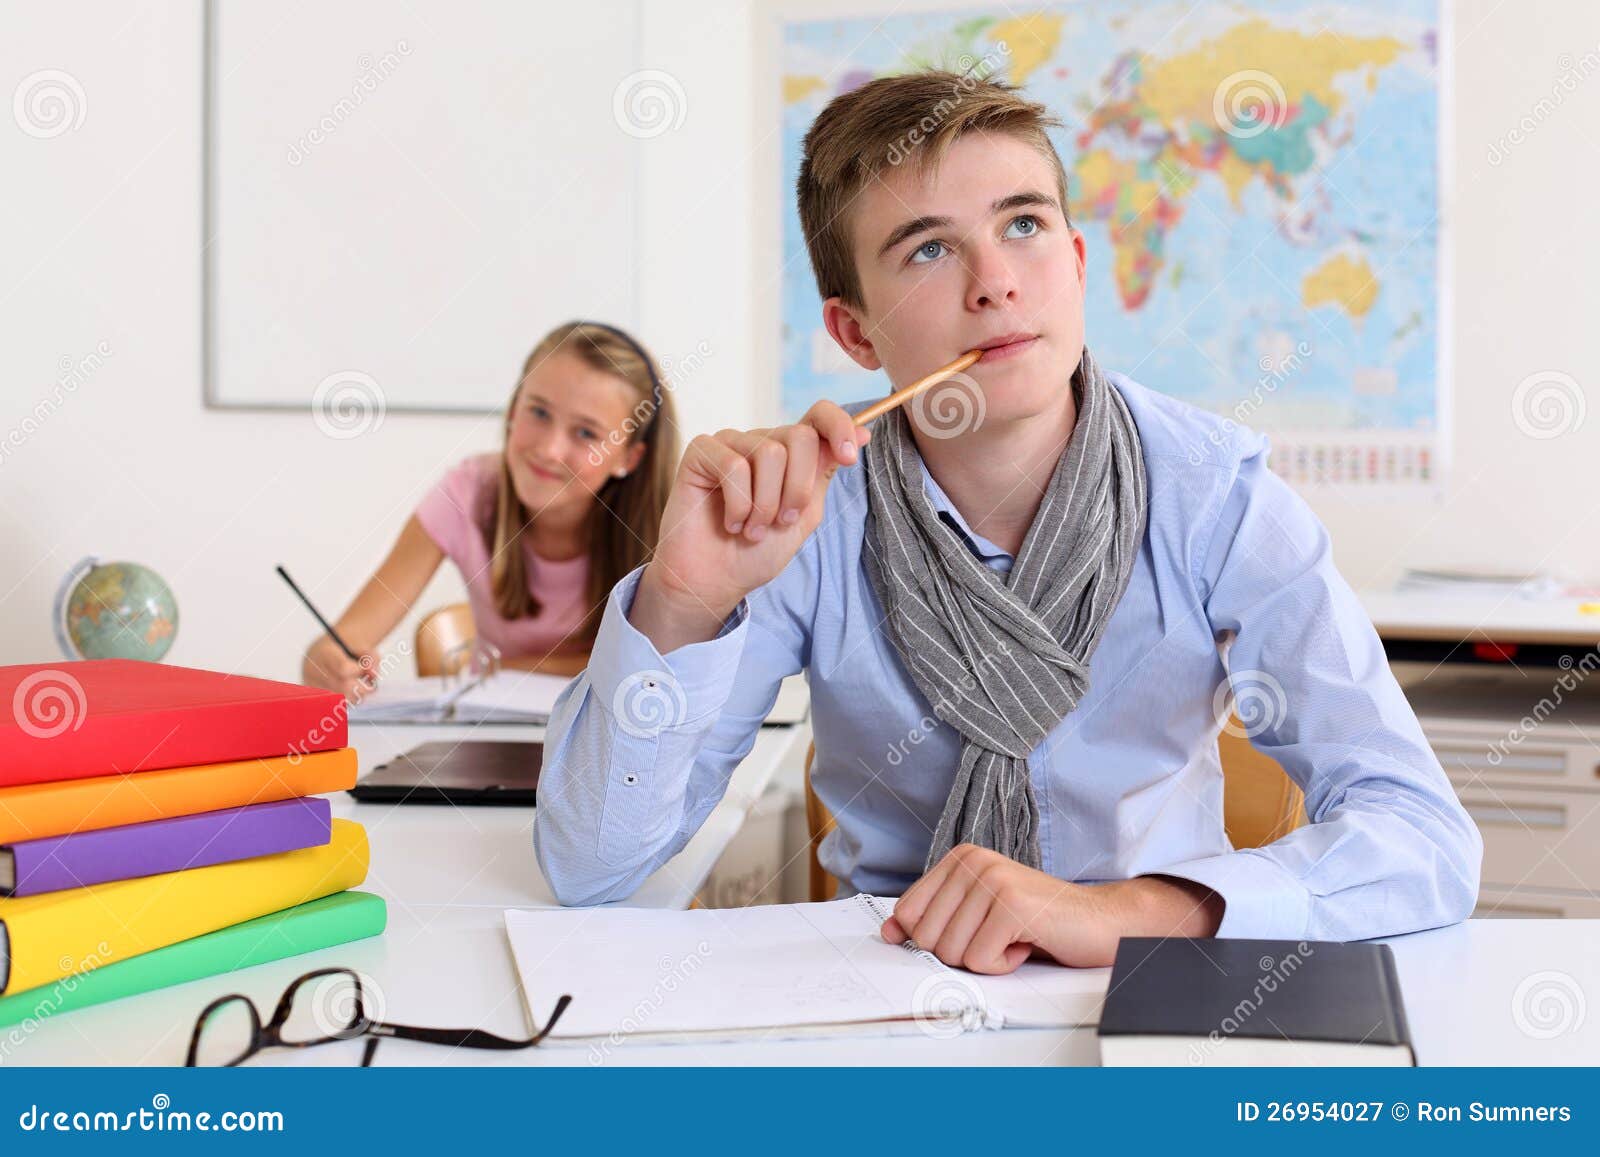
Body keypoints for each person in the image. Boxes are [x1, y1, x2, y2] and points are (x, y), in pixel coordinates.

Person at [533, 73, 1481, 973]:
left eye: (1023, 224)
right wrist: (682, 601)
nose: (994, 283)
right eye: (929, 249)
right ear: (856, 332)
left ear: (1074, 262)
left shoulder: (1215, 495)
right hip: (891, 989)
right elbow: (590, 869)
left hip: (1154, 975)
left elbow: (1422, 838)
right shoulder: (805, 511)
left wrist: (1121, 914)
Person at [301, 321, 677, 699]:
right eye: (539, 413)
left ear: (630, 456)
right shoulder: (467, 493)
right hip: (495, 738)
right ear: (514, 410)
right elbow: (342, 642)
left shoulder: (669, 530)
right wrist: (327, 663)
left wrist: (517, 667)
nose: (548, 450)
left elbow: (663, 668)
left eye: (585, 433)